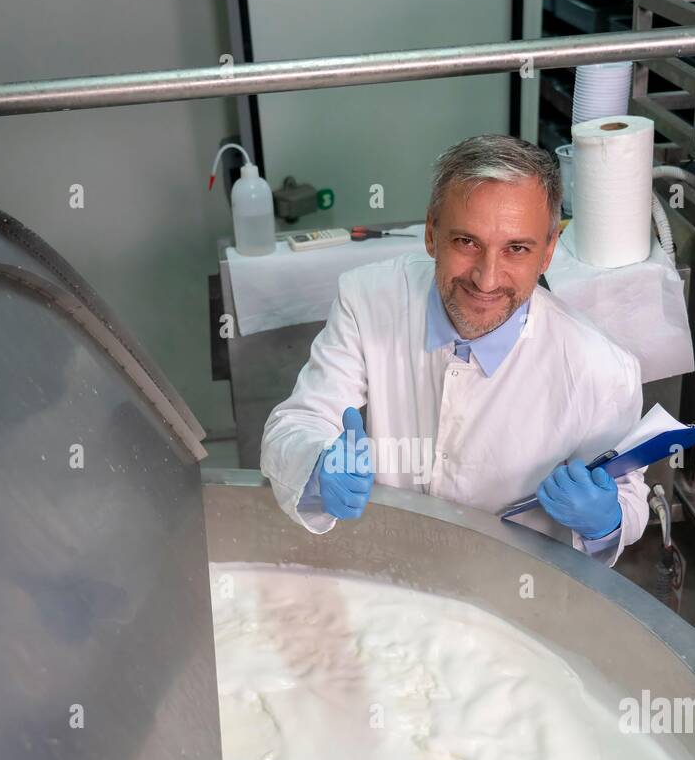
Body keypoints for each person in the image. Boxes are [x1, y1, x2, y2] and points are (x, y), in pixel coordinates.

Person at [260, 133, 648, 566]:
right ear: (431, 234)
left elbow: (630, 501)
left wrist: (605, 521)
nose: (486, 279)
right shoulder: (368, 300)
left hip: (516, 593)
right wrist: (316, 468)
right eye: (467, 243)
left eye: (516, 249)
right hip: (385, 573)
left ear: (548, 252)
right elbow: (295, 424)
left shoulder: (602, 368)